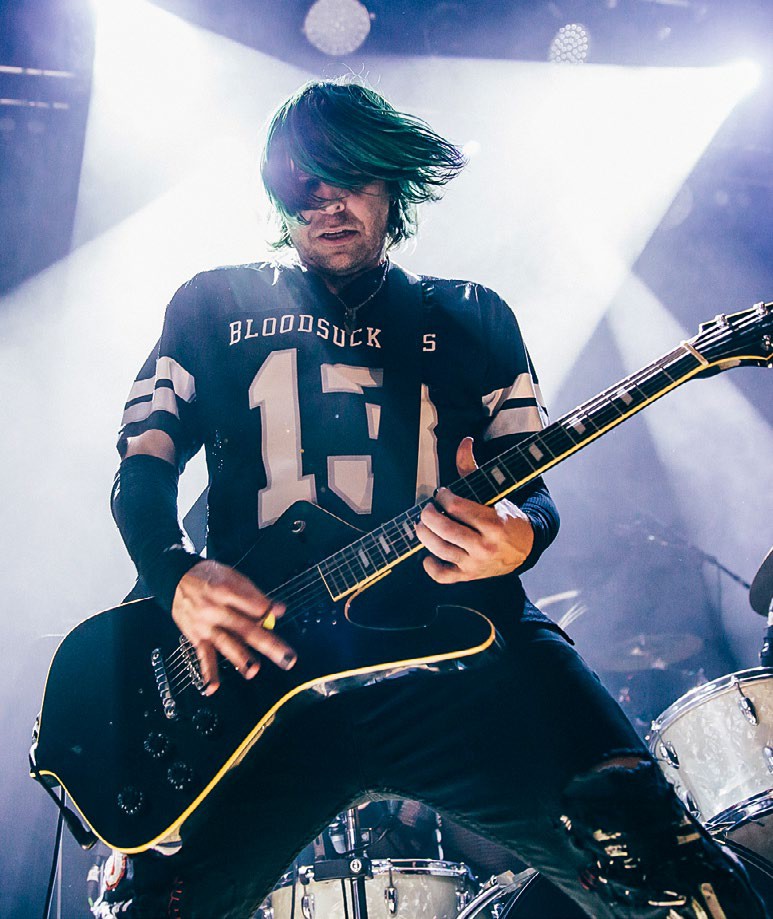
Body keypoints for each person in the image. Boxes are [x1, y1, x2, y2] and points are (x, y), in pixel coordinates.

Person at [105, 81, 767, 918]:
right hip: (259, 677)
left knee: (656, 859)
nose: (326, 202)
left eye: (349, 176)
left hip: (463, 654)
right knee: (157, 904)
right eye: (302, 181)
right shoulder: (209, 305)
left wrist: (517, 536)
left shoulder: (472, 316)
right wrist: (175, 576)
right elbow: (142, 464)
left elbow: (532, 496)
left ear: (392, 182)